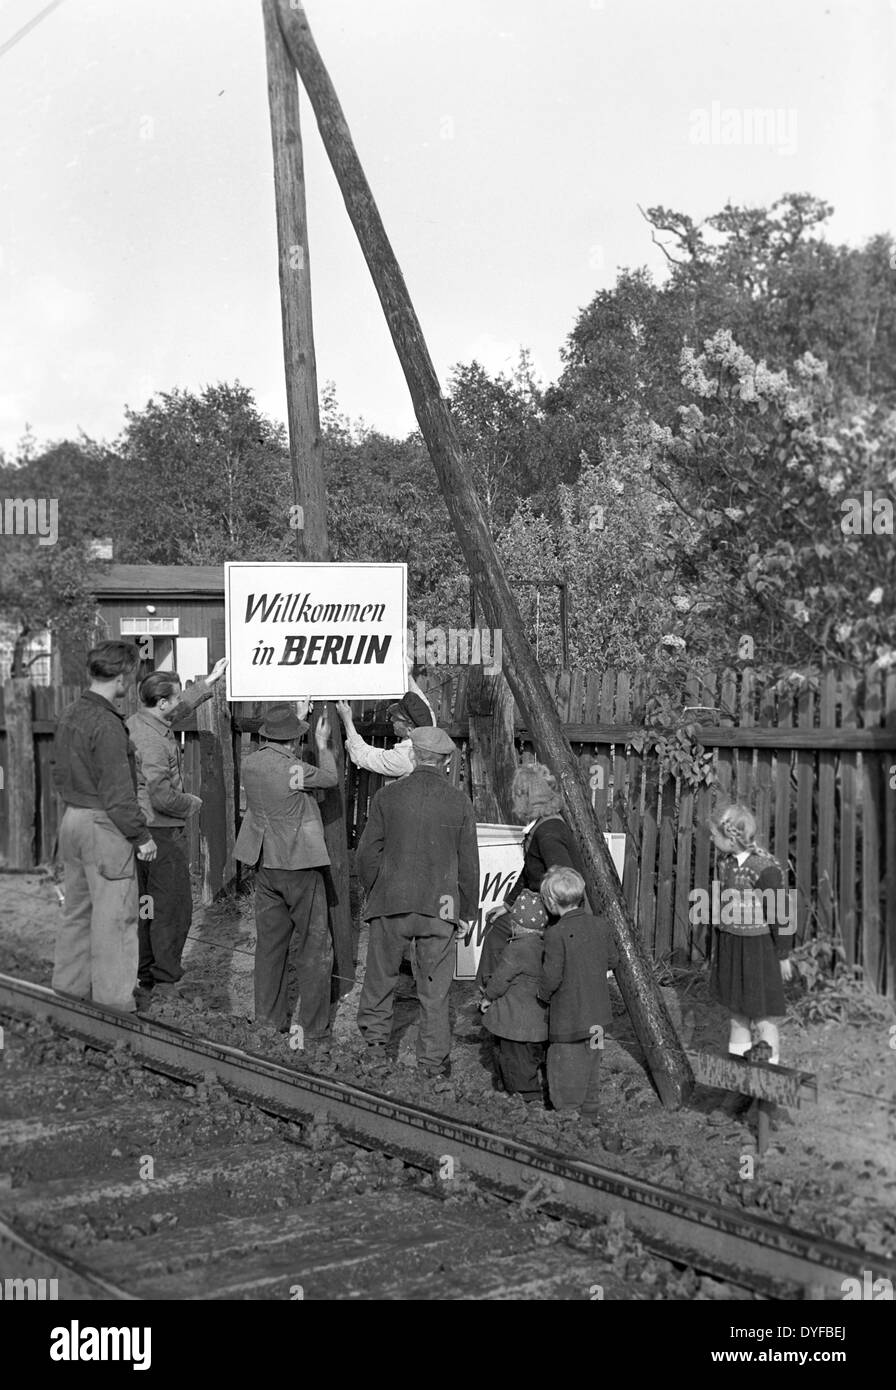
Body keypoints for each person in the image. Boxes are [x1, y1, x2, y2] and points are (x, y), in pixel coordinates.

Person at [356, 725, 479, 1080]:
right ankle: (432, 1064)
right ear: (443, 762)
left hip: (390, 900)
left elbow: (367, 855)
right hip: (440, 908)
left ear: (413, 754)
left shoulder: (387, 797)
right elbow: (469, 865)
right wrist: (466, 911)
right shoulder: (459, 802)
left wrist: (375, 889)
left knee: (380, 978)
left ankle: (376, 1049)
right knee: (435, 989)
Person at [50, 641, 157, 1014]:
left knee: (78, 911)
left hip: (73, 820)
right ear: (122, 674)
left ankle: (69, 991)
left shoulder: (70, 713)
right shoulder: (108, 725)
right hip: (103, 825)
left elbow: (60, 773)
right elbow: (117, 792)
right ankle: (113, 1005)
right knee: (116, 917)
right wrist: (140, 837)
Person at [234, 703, 338, 1054]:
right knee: (314, 947)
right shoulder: (295, 767)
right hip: (299, 862)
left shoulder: (250, 763)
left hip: (265, 863)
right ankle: (313, 1030)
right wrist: (322, 745)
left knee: (270, 946)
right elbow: (330, 779)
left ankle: (268, 1020)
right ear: (294, 739)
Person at [126, 657, 228, 1004]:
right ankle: (166, 983)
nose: (177, 702)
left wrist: (209, 682)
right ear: (162, 703)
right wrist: (191, 804)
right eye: (174, 696)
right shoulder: (153, 742)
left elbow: (179, 707)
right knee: (172, 909)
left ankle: (146, 977)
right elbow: (161, 794)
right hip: (161, 834)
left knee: (146, 907)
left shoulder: (141, 722)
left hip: (141, 833)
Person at [477, 761, 585, 990]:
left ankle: (490, 993)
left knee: (500, 932)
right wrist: (508, 905)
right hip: (544, 905)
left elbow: (566, 883)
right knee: (498, 923)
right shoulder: (543, 826)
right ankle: (497, 992)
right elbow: (529, 872)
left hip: (554, 913)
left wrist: (558, 925)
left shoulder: (548, 834)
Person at [708, 804, 793, 1066]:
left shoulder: (764, 869)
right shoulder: (726, 864)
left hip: (759, 952)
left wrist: (783, 956)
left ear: (731, 837)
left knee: (763, 1019)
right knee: (737, 1017)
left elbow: (780, 915)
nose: (711, 839)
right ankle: (740, 1081)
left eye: (714, 834)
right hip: (733, 949)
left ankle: (766, 1080)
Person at [537, 865, 619, 1122]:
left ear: (551, 902)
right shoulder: (600, 925)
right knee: (591, 1069)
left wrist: (542, 995)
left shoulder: (554, 934)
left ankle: (567, 1119)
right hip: (598, 1018)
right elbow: (612, 960)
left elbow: (552, 977)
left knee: (564, 1071)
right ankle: (589, 1117)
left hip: (569, 1021)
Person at [478, 889, 549, 1104]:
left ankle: (526, 1101)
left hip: (514, 1025)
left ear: (516, 924)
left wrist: (487, 997)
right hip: (539, 1025)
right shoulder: (546, 948)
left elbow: (500, 981)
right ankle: (529, 1094)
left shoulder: (515, 949)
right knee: (529, 1062)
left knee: (513, 1064)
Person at [335, 691, 433, 780]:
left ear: (409, 729)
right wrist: (408, 676)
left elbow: (362, 755)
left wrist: (346, 719)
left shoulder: (403, 757)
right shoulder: (430, 734)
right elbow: (425, 708)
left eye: (396, 719)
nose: (391, 720)